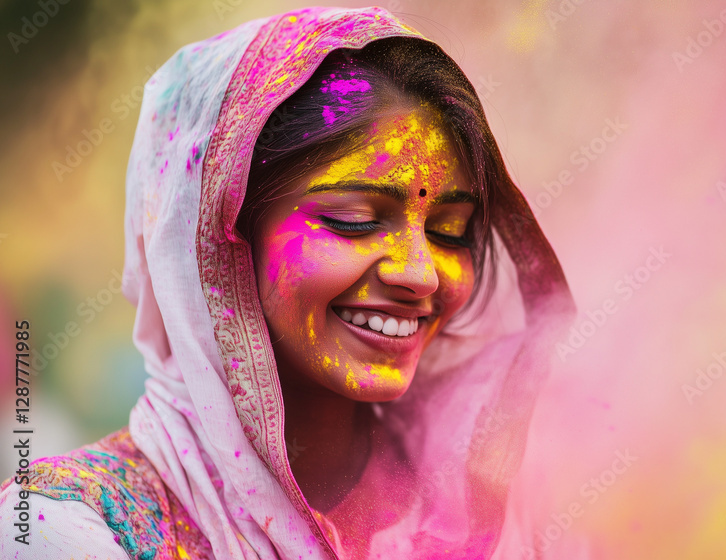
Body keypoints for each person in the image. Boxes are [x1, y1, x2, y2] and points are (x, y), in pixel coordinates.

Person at [0, 6, 575, 560]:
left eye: (451, 232)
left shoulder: (494, 504)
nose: (421, 273)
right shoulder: (60, 530)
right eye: (355, 220)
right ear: (215, 240)